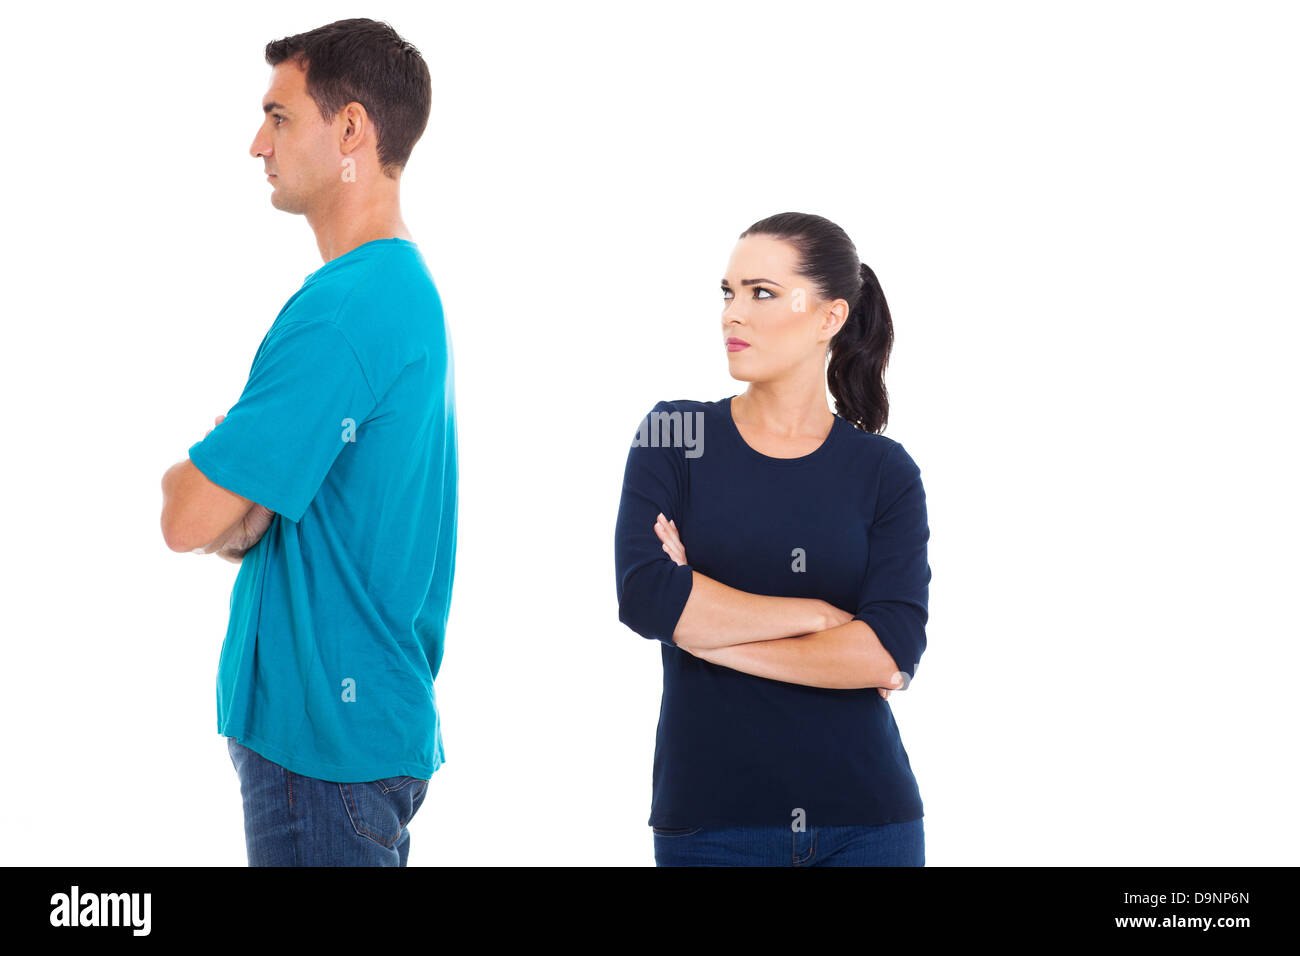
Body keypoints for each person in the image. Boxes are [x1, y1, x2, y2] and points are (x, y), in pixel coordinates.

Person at [159, 18, 457, 866]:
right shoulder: (398, 288)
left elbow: (187, 516)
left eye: (280, 116)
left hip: (322, 753)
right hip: (350, 748)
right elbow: (257, 518)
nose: (258, 143)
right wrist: (240, 511)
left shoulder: (348, 306)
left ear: (352, 130)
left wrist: (204, 488)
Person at [614, 211, 931, 867]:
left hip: (866, 825)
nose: (734, 314)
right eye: (727, 293)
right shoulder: (675, 436)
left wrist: (704, 629)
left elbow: (888, 656)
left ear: (829, 317)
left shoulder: (884, 471)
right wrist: (813, 619)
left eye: (761, 293)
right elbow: (646, 596)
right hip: (710, 828)